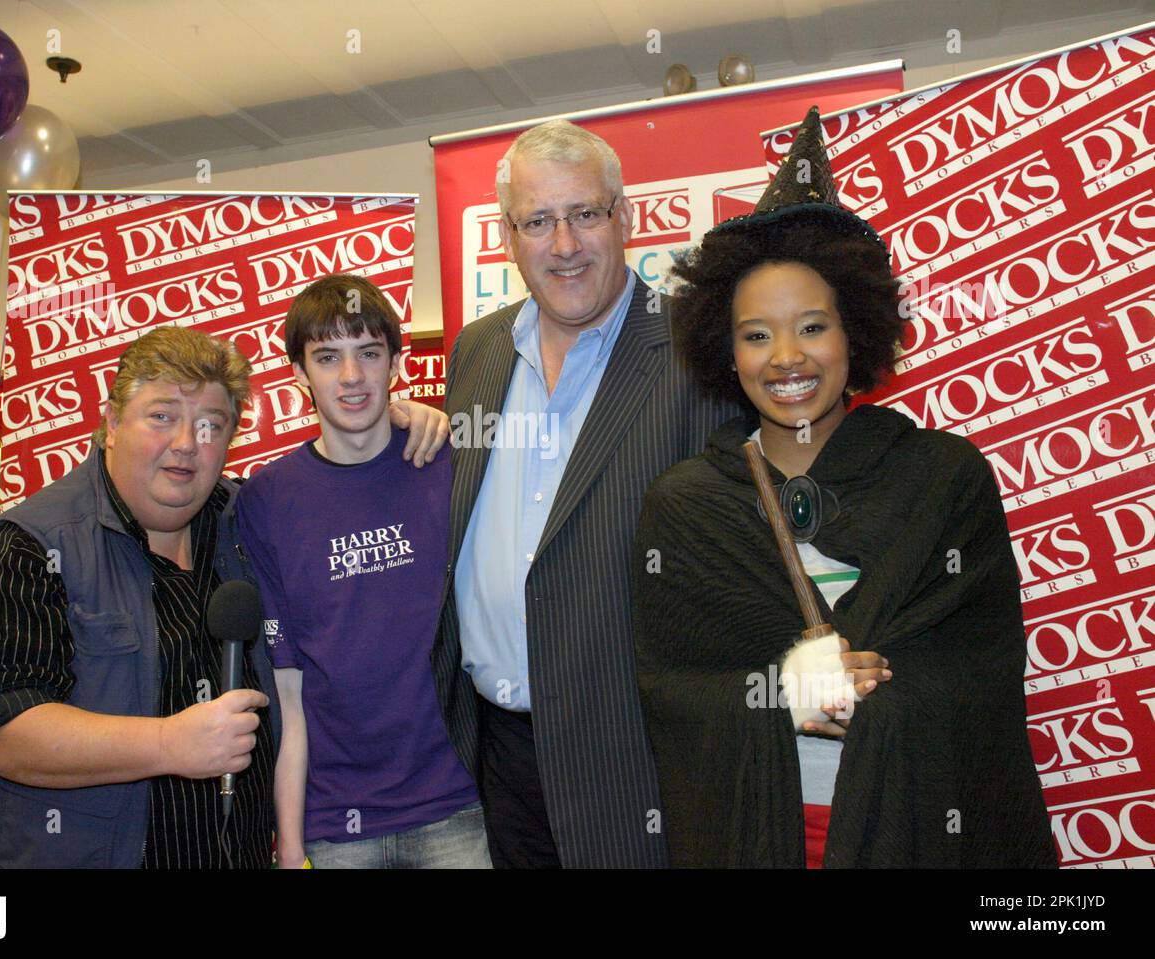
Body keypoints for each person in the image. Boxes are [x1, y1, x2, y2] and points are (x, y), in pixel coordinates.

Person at [631, 107, 1057, 868]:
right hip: (759, 831)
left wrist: (880, 690)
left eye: (813, 326)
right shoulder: (686, 504)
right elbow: (672, 689)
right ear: (725, 352)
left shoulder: (943, 479)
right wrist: (783, 693)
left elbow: (981, 676)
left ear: (854, 332)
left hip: (918, 827)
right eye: (756, 333)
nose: (785, 356)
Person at [0, 326, 450, 868]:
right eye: (161, 417)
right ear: (111, 424)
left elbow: (335, 498)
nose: (185, 443)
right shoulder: (27, 548)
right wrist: (169, 744)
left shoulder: (245, 520)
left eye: (210, 426)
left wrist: (387, 423)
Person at [435, 119, 736, 868]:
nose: (564, 244)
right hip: (492, 753)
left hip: (632, 755)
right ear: (509, 236)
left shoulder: (698, 352)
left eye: (585, 214)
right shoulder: (476, 350)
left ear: (625, 217)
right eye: (538, 220)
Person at [238, 274, 489, 869]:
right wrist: (291, 843)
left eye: (368, 354)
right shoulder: (266, 502)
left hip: (458, 806)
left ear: (396, 364)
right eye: (328, 357)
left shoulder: (448, 465)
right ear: (299, 374)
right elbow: (288, 694)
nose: (351, 377)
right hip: (333, 826)